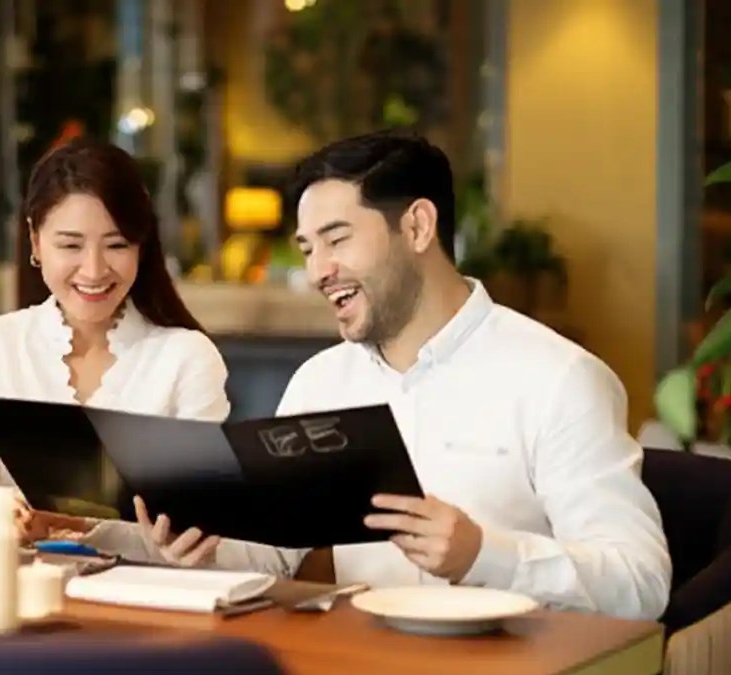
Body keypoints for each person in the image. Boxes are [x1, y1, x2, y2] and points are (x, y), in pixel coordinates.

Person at [132, 129, 672, 621]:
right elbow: (274, 553)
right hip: (363, 674)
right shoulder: (320, 383)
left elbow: (641, 584)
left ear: (417, 226)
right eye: (308, 248)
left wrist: (484, 555)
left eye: (337, 239)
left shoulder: (560, 379)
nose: (318, 270)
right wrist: (199, 546)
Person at [0, 137, 227, 565]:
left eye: (116, 245)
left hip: (145, 604)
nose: (94, 270)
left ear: (141, 245)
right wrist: (9, 514)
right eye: (71, 246)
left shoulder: (187, 357)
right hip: (13, 594)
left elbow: (206, 518)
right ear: (35, 243)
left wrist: (187, 543)